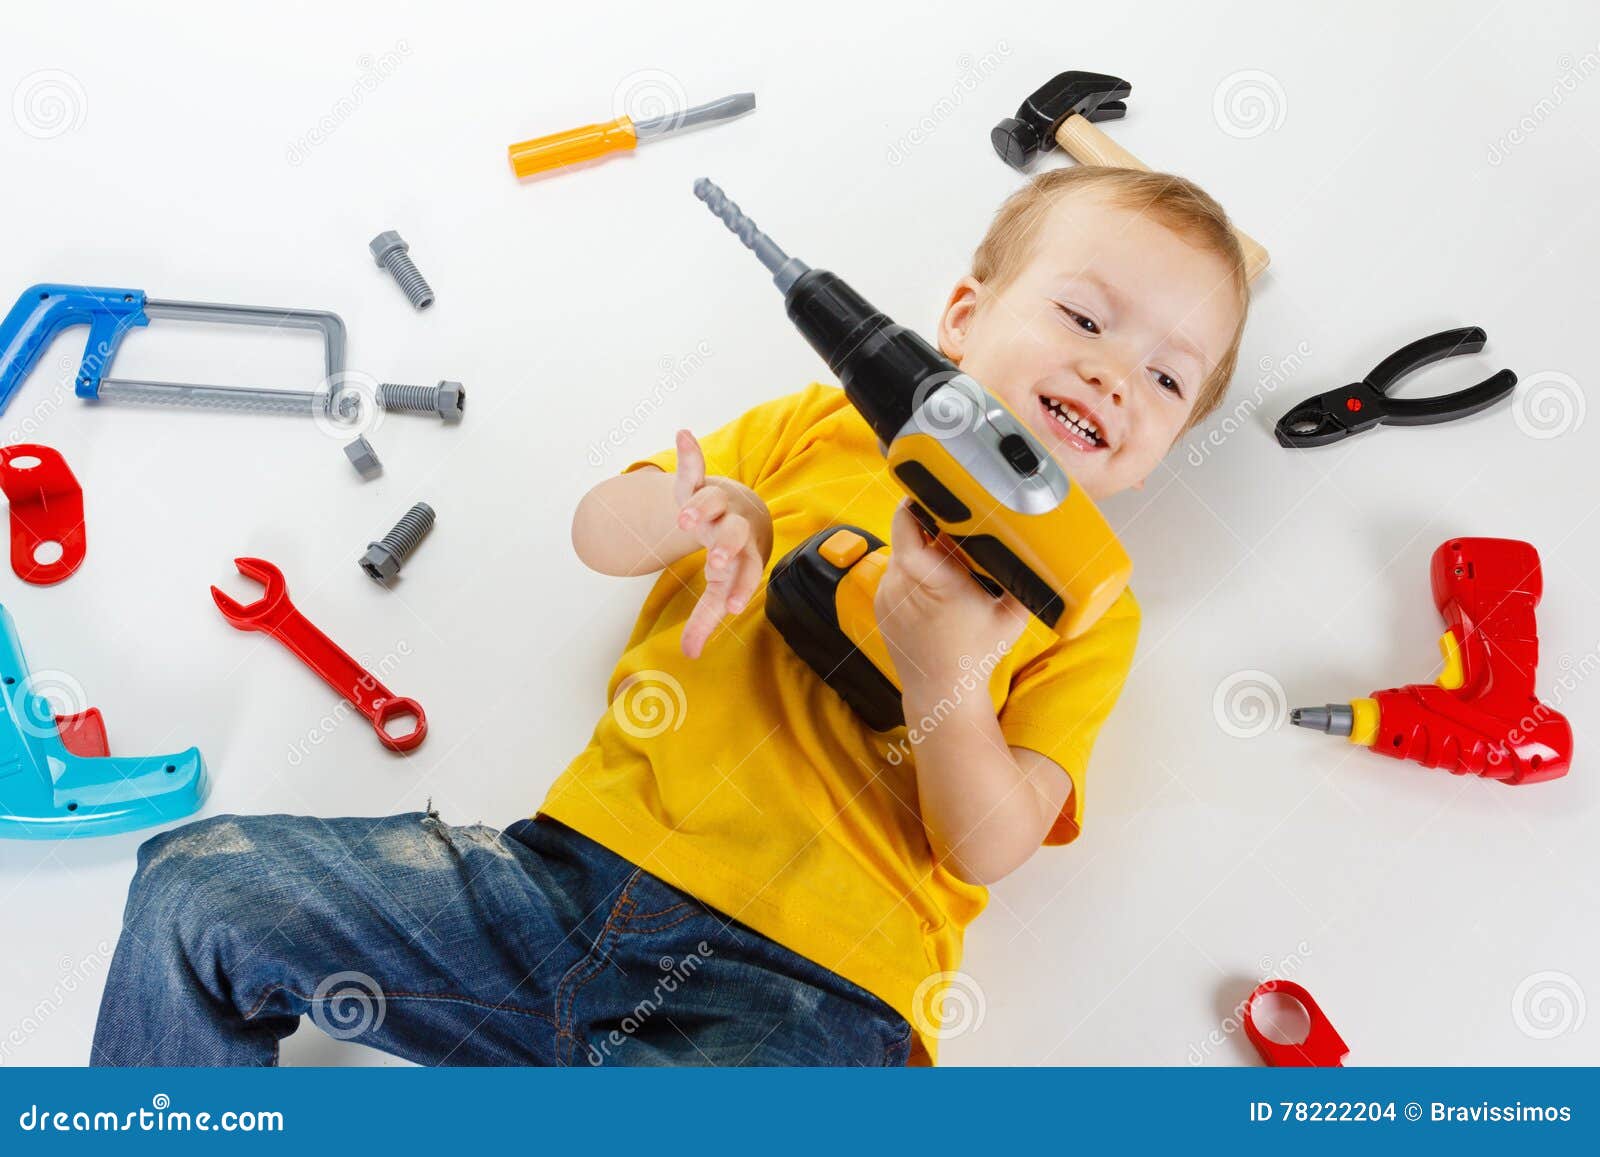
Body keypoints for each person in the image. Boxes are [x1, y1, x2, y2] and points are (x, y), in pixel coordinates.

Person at [92, 167, 1250, 1067]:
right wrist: (707, 511)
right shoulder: (817, 427)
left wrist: (942, 677)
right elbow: (598, 530)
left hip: (805, 997)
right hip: (558, 892)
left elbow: (991, 843)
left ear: (1159, 451)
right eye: (1085, 318)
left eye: (1166, 378)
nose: (1113, 376)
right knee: (203, 894)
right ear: (958, 317)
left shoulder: (1087, 607)